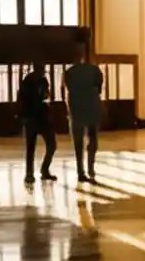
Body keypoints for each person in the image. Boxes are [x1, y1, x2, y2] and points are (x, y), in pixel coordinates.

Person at [64, 44, 104, 185]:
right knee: (92, 139)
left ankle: (80, 171)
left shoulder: (69, 72)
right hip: (91, 107)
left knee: (78, 142)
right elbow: (99, 88)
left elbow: (67, 89)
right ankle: (90, 168)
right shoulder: (95, 71)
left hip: (76, 109)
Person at [19, 62, 57, 186]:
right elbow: (22, 99)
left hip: (41, 115)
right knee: (31, 147)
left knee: (51, 144)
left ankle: (44, 169)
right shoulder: (27, 81)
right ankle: (30, 173)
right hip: (31, 116)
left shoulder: (43, 80)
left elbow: (46, 94)